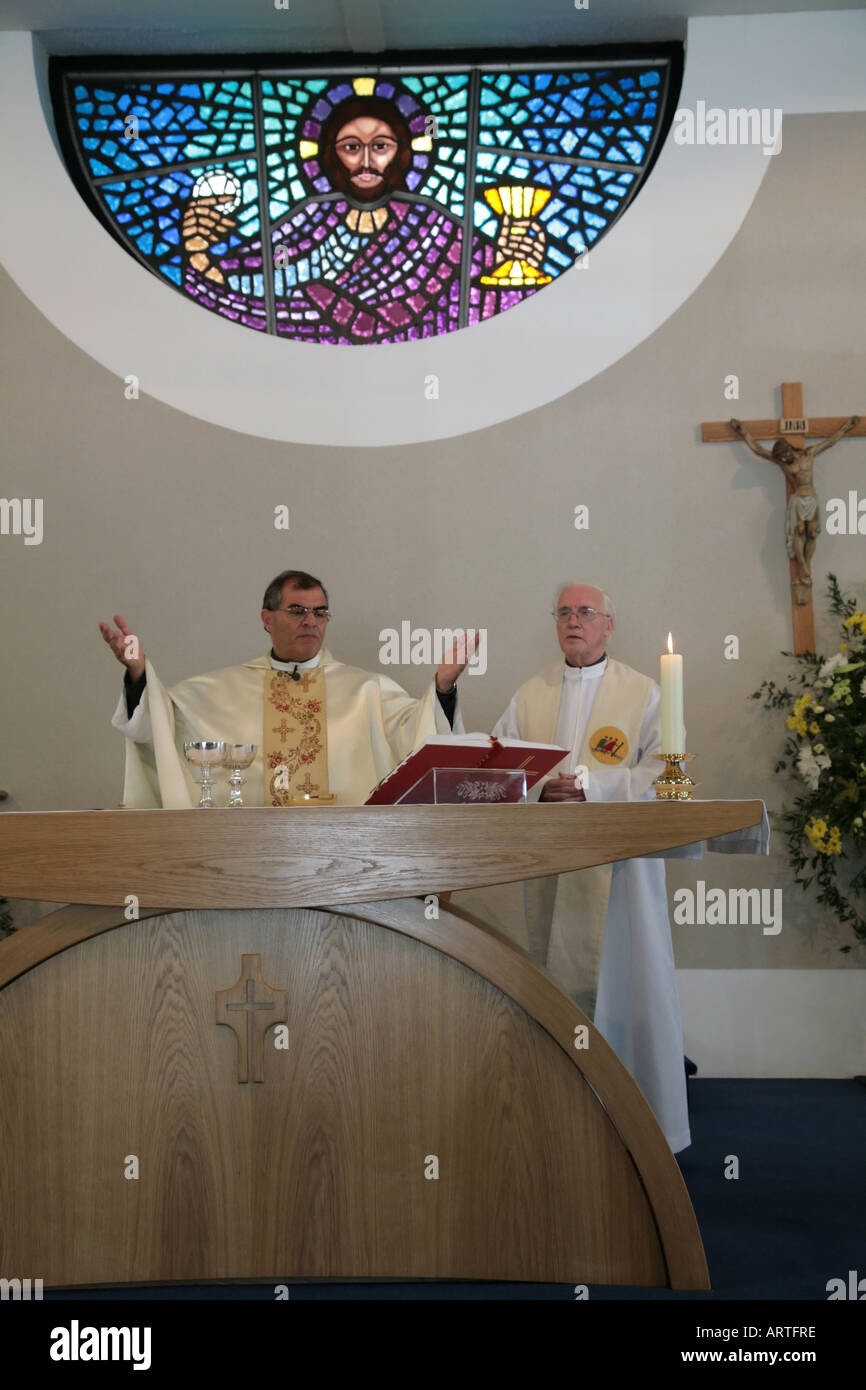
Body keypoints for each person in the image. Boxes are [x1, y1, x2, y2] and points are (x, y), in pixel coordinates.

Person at [493, 582, 691, 1152]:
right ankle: (551, 1118)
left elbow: (664, 773)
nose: (573, 621)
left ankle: (632, 1126)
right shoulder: (531, 694)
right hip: (547, 871)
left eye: (586, 612)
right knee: (550, 989)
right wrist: (539, 791)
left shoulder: (645, 693)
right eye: (564, 612)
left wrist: (589, 785)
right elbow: (499, 765)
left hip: (616, 873)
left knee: (621, 989)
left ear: (608, 625)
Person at [101, 569, 467, 808]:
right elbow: (160, 724)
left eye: (320, 612)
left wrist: (442, 688)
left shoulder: (368, 690)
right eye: (297, 611)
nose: (311, 621)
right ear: (267, 618)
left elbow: (418, 734)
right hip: (249, 854)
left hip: (345, 855)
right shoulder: (219, 689)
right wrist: (138, 675)